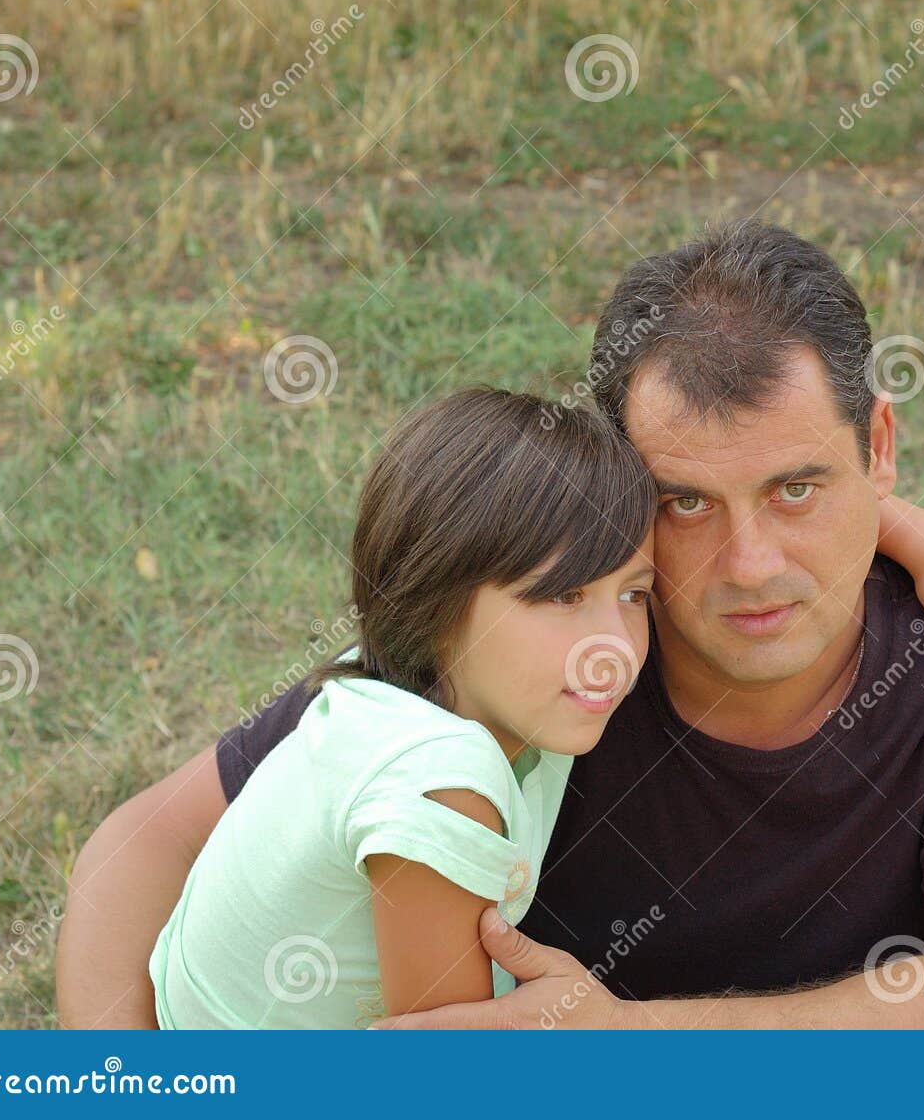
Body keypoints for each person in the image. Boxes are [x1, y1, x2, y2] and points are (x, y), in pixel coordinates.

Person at [59, 218, 924, 1030]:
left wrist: (626, 1043)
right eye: (685, 502)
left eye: (797, 487)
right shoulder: (528, 657)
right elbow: (137, 848)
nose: (750, 567)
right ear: (608, 491)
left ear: (878, 447)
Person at [150, 386, 657, 1026]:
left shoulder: (385, 702)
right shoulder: (443, 781)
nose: (613, 647)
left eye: (636, 595)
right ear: (439, 603)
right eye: (563, 597)